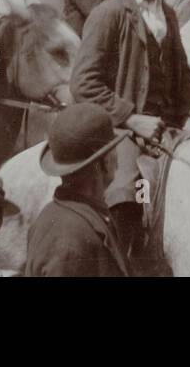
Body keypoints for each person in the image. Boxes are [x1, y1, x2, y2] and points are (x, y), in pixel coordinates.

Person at [69, 0, 190, 258]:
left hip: (169, 126)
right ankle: (125, 260)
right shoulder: (108, 14)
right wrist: (131, 118)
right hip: (122, 130)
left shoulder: (167, 14)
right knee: (127, 190)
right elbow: (83, 83)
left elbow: (183, 75)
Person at [26, 103, 133, 277]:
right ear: (105, 162)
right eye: (113, 149)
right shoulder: (68, 237)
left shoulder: (78, 215)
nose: (118, 157)